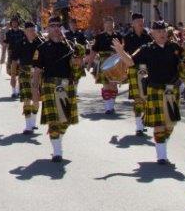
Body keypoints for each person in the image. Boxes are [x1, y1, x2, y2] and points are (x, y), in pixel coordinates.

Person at [113, 20, 185, 166]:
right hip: (154, 89)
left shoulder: (175, 47)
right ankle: (161, 156)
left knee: (171, 123)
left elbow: (184, 64)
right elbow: (130, 62)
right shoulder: (146, 49)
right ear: (152, 33)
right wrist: (120, 51)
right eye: (158, 31)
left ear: (167, 32)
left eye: (163, 31)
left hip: (171, 90)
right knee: (159, 124)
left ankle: (161, 142)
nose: (161, 34)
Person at [31, 16, 83, 161]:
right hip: (48, 84)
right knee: (54, 120)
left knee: (65, 120)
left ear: (60, 27)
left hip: (66, 84)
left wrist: (78, 60)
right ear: (48, 28)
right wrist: (35, 89)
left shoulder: (70, 46)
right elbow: (37, 71)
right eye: (52, 25)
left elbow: (77, 65)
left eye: (57, 25)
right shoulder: (41, 48)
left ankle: (57, 137)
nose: (55, 28)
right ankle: (57, 151)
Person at [122, 12, 153, 136]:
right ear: (133, 24)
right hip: (134, 69)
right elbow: (124, 55)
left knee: (147, 97)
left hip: (147, 69)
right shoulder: (128, 37)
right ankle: (139, 126)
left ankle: (143, 119)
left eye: (142, 21)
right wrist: (123, 71)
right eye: (138, 22)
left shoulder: (148, 37)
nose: (141, 24)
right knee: (138, 99)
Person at [89, 16, 122, 115]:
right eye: (107, 24)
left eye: (110, 24)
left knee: (114, 85)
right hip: (104, 62)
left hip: (116, 62)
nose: (109, 26)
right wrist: (89, 63)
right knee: (106, 85)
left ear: (113, 25)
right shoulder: (99, 37)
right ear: (104, 25)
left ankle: (111, 106)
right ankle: (108, 108)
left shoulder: (119, 36)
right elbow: (94, 50)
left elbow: (123, 50)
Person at [16, 20, 43, 134]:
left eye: (33, 30)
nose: (32, 32)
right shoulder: (20, 43)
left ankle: (33, 121)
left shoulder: (40, 43)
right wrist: (13, 75)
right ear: (25, 31)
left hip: (36, 72)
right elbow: (14, 59)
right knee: (27, 99)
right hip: (24, 72)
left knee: (36, 99)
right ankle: (28, 126)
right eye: (30, 30)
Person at [0, 16, 25, 98]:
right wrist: (3, 56)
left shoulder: (22, 32)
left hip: (21, 54)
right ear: (11, 23)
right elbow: (5, 43)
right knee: (12, 73)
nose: (14, 23)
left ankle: (18, 91)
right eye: (13, 22)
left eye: (16, 22)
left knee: (21, 73)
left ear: (18, 23)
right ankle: (13, 92)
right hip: (12, 54)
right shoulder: (8, 33)